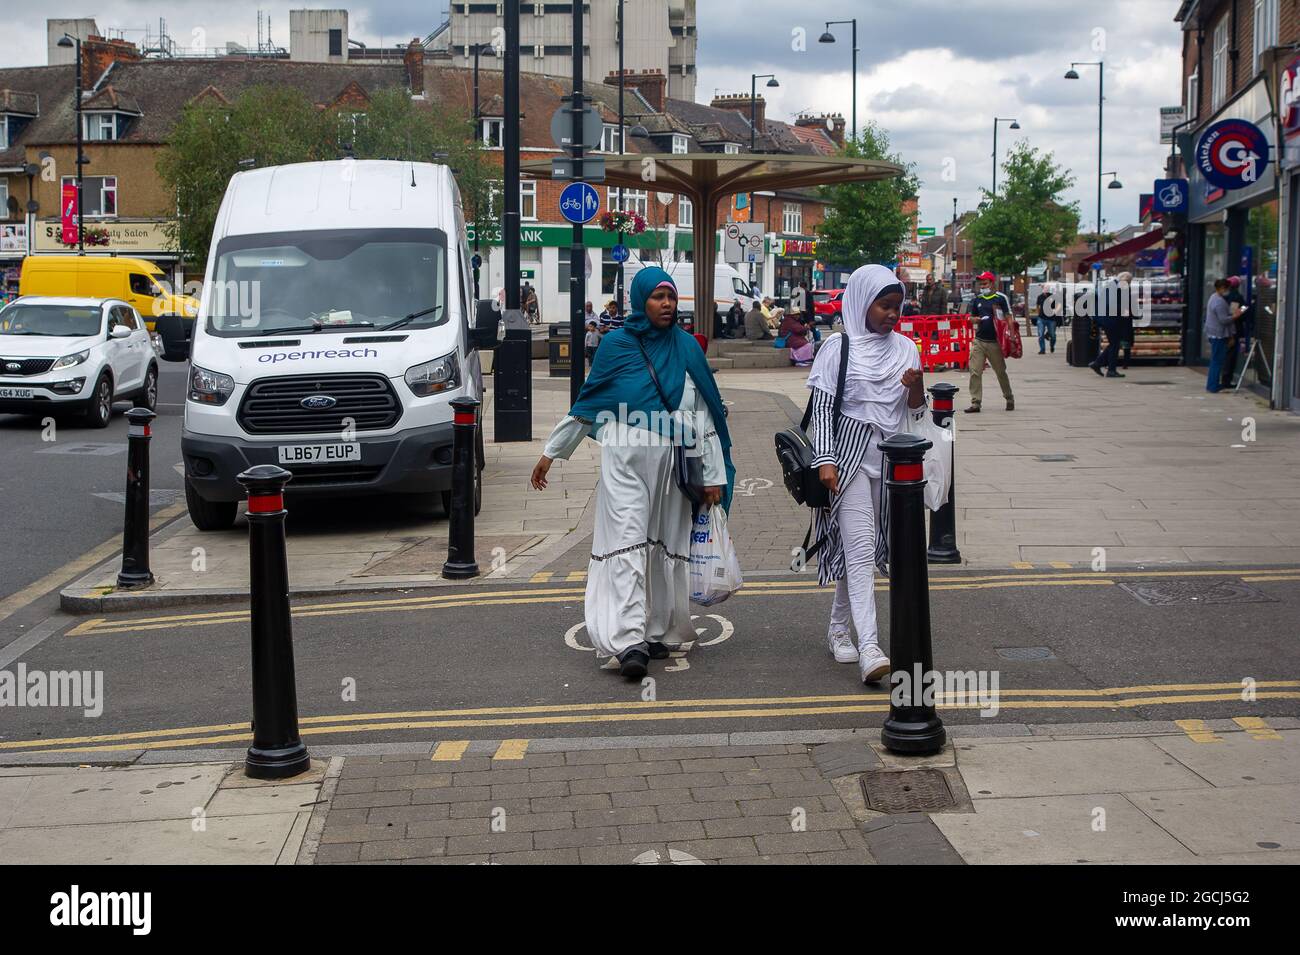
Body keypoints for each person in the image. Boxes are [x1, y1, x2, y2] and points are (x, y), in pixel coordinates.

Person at [530, 268, 736, 678]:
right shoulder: (616, 344)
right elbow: (591, 400)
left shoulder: (687, 348)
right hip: (624, 462)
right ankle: (628, 641)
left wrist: (712, 475)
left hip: (675, 467)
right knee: (626, 543)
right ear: (641, 300)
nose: (666, 304)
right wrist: (552, 452)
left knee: (664, 546)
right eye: (658, 296)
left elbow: (703, 413)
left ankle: (658, 630)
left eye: (671, 297)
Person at [808, 264, 928, 684]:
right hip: (849, 459)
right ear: (862, 302)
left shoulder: (907, 349)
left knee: (870, 546)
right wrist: (825, 459)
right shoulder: (837, 349)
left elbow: (914, 412)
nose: (893, 314)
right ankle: (871, 648)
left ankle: (839, 629)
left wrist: (916, 387)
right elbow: (823, 409)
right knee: (859, 549)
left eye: (898, 306)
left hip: (894, 462)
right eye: (884, 306)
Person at [964, 271, 1015, 413]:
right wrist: (973, 320)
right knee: (975, 371)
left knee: (1000, 372)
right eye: (981, 284)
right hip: (979, 340)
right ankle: (976, 402)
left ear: (992, 284)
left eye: (985, 283)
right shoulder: (977, 300)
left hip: (995, 342)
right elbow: (972, 317)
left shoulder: (1000, 298)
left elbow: (1008, 317)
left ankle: (1009, 397)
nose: (982, 286)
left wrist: (1012, 336)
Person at [1204, 277, 1240, 393]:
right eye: (1227, 288)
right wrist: (1235, 316)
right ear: (1222, 288)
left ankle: (1212, 384)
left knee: (1215, 360)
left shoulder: (1213, 297)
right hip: (1218, 334)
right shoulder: (1219, 302)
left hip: (1213, 333)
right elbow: (1223, 320)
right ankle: (1213, 385)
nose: (1228, 291)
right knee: (1217, 361)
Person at [1089, 275, 1125, 378]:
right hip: (1108, 320)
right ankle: (1108, 369)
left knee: (1114, 344)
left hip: (1107, 320)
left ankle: (1100, 365)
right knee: (1115, 344)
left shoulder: (1112, 286)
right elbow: (1110, 305)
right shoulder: (1113, 287)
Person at [1221, 276, 1251, 388]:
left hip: (1227, 329)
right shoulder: (1235, 297)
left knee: (1227, 354)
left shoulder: (1225, 296)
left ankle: (1225, 378)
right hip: (1233, 329)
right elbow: (1234, 314)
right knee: (1231, 355)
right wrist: (1245, 308)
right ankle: (1226, 380)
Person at [1035, 284, 1056, 354]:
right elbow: (1037, 305)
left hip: (1051, 319)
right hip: (1041, 318)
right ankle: (1042, 349)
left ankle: (1052, 345)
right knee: (1040, 334)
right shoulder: (1040, 297)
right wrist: (1038, 313)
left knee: (1052, 335)